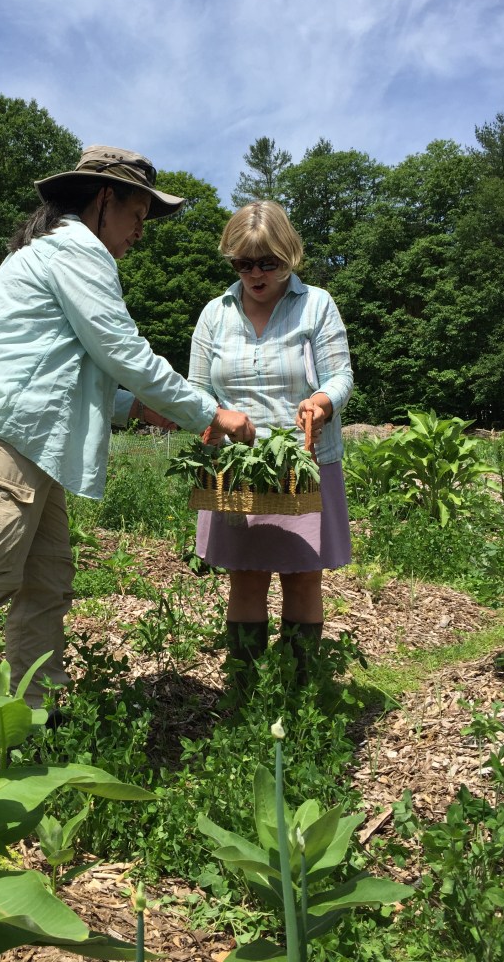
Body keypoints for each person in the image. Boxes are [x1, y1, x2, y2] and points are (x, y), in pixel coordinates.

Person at [0, 145, 255, 725]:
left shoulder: (60, 255)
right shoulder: (76, 252)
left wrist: (140, 409)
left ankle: (37, 716)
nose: (140, 231)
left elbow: (73, 375)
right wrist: (208, 412)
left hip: (30, 442)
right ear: (104, 199)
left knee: (45, 580)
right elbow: (122, 350)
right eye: (138, 215)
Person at [189, 200, 353, 685]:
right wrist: (210, 416)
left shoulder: (316, 305)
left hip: (304, 459)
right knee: (247, 574)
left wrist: (321, 401)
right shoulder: (215, 314)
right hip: (239, 465)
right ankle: (245, 690)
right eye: (243, 262)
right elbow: (196, 387)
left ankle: (297, 693)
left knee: (303, 575)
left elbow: (341, 374)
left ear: (289, 255)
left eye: (268, 262)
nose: (255, 273)